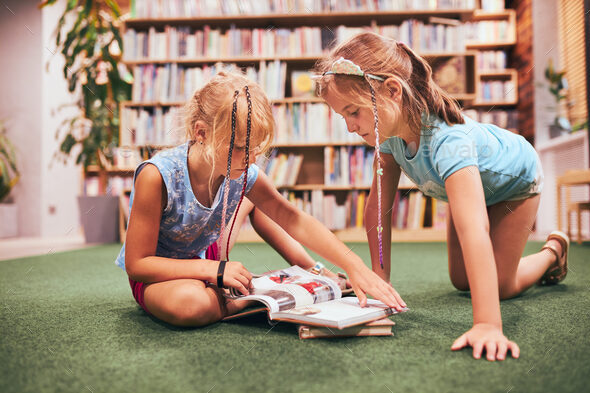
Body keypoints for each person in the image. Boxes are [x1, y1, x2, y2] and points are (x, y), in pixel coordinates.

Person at [314, 32, 569, 361]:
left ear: (392, 90)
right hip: (472, 191)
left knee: (501, 287)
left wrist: (488, 324)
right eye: (342, 117)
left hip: (515, 184)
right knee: (462, 281)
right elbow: (379, 209)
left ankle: (553, 252)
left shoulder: (448, 143)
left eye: (354, 112)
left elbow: (473, 230)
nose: (350, 127)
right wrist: (380, 281)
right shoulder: (388, 136)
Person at [115, 71, 405, 328]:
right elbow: (137, 264)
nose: (252, 159)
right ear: (200, 132)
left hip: (210, 258)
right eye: (241, 148)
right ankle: (248, 301)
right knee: (191, 305)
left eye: (256, 149)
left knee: (261, 201)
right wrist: (213, 270)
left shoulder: (244, 172)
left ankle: (309, 271)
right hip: (161, 272)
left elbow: (293, 218)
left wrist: (356, 267)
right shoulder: (157, 175)